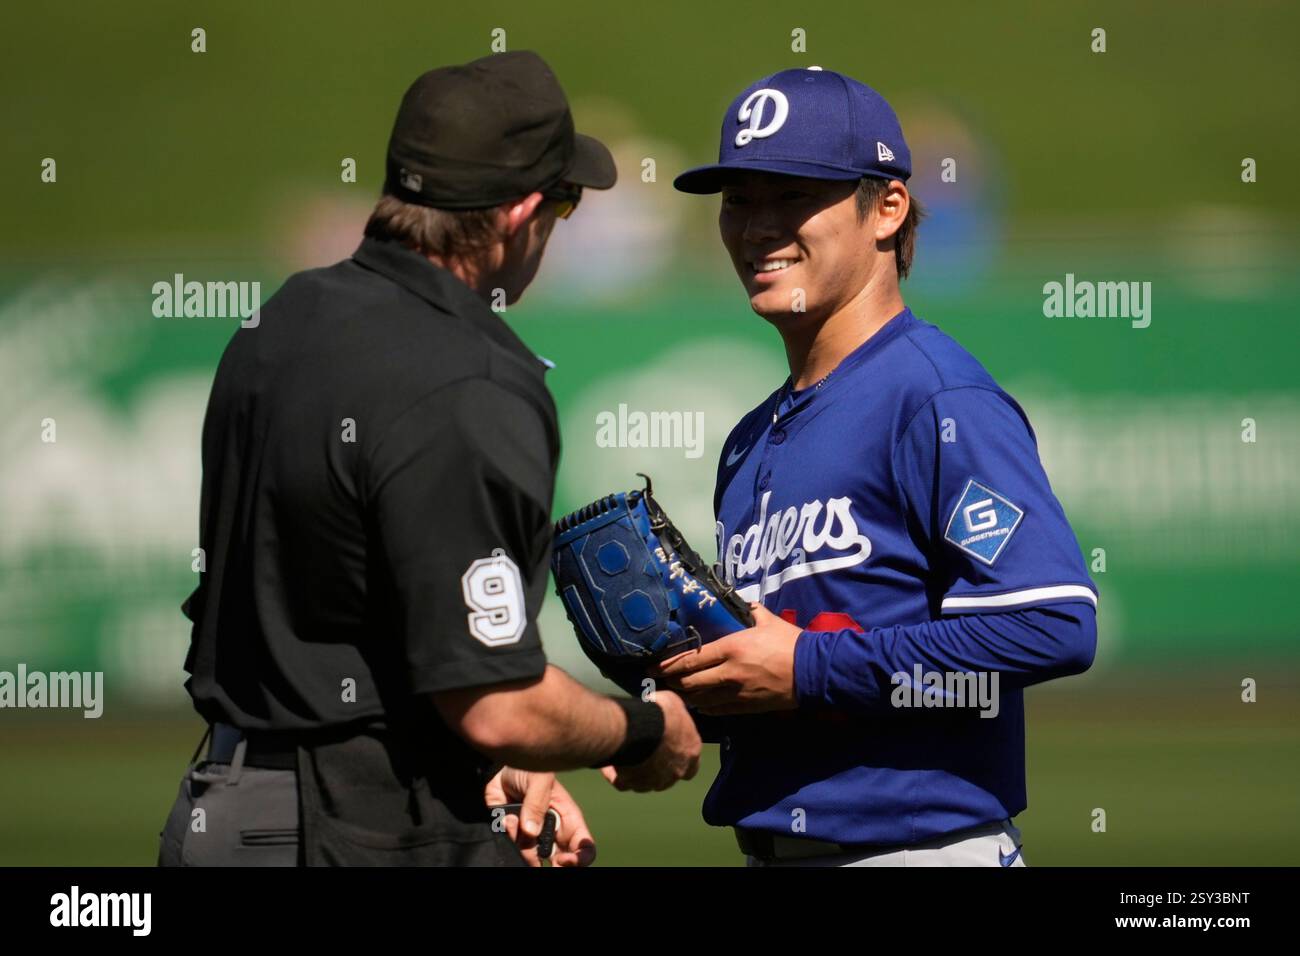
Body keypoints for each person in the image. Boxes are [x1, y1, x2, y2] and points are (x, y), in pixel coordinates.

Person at [158, 50, 700, 868]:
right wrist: (642, 731)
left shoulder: (282, 319)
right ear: (520, 215)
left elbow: (356, 619)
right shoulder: (471, 378)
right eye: (562, 204)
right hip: (354, 829)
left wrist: (489, 765)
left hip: (221, 802)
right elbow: (496, 704)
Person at [655, 66, 1097, 866]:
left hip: (919, 850)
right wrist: (671, 702)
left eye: (792, 195)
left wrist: (809, 670)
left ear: (887, 207)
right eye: (739, 199)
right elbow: (792, 673)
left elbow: (1052, 625)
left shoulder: (934, 396)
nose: (758, 227)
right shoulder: (751, 437)